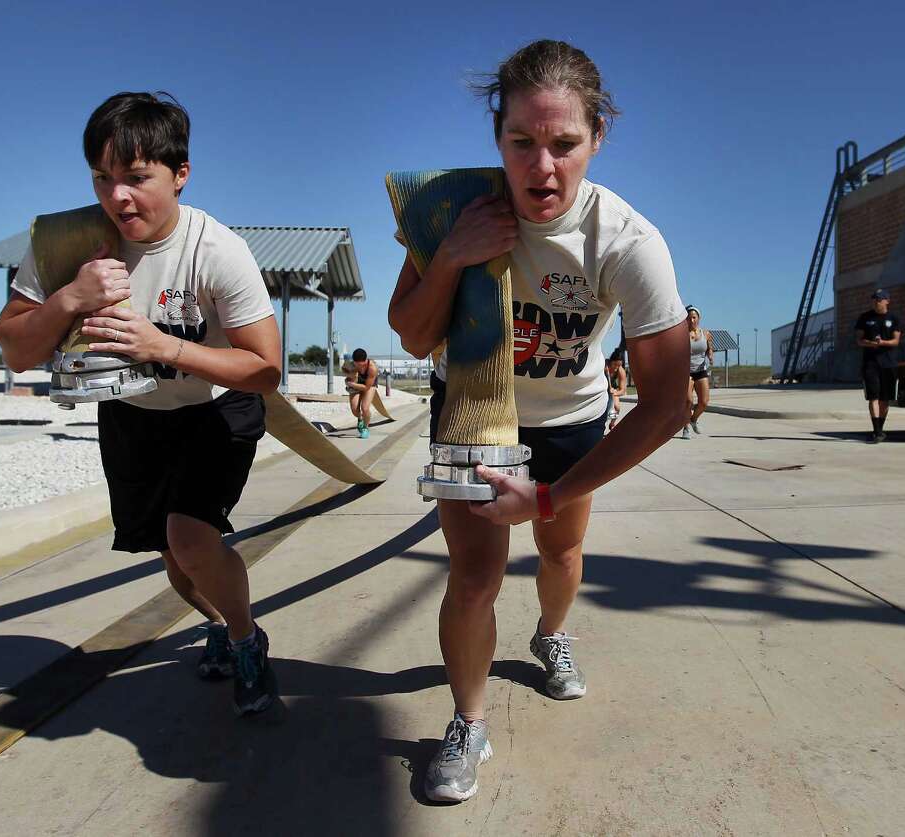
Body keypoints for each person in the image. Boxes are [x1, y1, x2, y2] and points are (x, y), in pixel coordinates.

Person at [388, 40, 689, 803]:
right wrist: (452, 255)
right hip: (470, 408)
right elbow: (413, 333)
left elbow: (665, 400)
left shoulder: (626, 239)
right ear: (498, 137)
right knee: (474, 579)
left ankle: (551, 636)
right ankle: (468, 719)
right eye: (522, 142)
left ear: (597, 140)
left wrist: (548, 496)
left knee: (561, 551)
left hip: (570, 420)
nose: (542, 168)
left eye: (564, 144)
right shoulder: (453, 207)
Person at [0, 92, 283, 715]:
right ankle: (222, 625)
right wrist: (70, 297)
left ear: (180, 174)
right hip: (132, 415)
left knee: (190, 536)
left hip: (215, 409)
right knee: (173, 556)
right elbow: (15, 348)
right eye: (103, 178)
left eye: (136, 178)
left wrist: (162, 345)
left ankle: (245, 639)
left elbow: (264, 369)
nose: (118, 197)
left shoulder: (216, 250)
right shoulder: (69, 240)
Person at [854, 289, 901, 443]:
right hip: (870, 363)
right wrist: (871, 343)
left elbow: (896, 341)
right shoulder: (865, 318)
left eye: (879, 299)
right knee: (873, 396)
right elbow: (859, 340)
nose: (876, 301)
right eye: (874, 299)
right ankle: (877, 431)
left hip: (889, 363)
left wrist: (883, 343)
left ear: (887, 301)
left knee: (885, 398)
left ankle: (881, 428)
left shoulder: (893, 319)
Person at [684, 305, 713, 439]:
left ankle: (693, 419)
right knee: (688, 401)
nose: (692, 321)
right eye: (689, 318)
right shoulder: (682, 335)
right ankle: (686, 428)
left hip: (701, 370)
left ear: (699, 318)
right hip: (686, 371)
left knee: (704, 402)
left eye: (694, 318)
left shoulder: (705, 334)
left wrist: (710, 355)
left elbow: (709, 348)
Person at [345, 347, 379, 438]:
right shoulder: (350, 365)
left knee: (365, 408)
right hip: (356, 383)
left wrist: (350, 384)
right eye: (357, 365)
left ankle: (365, 428)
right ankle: (360, 418)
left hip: (369, 385)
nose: (360, 367)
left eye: (362, 365)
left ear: (366, 360)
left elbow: (366, 387)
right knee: (354, 410)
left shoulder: (372, 368)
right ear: (354, 362)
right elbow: (344, 370)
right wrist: (349, 377)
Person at [605, 347, 627, 431]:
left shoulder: (621, 371)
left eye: (619, 365)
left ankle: (612, 423)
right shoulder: (604, 365)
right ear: (611, 361)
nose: (616, 368)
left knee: (617, 407)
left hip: (612, 390)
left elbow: (622, 390)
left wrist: (614, 392)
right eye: (615, 365)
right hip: (601, 388)